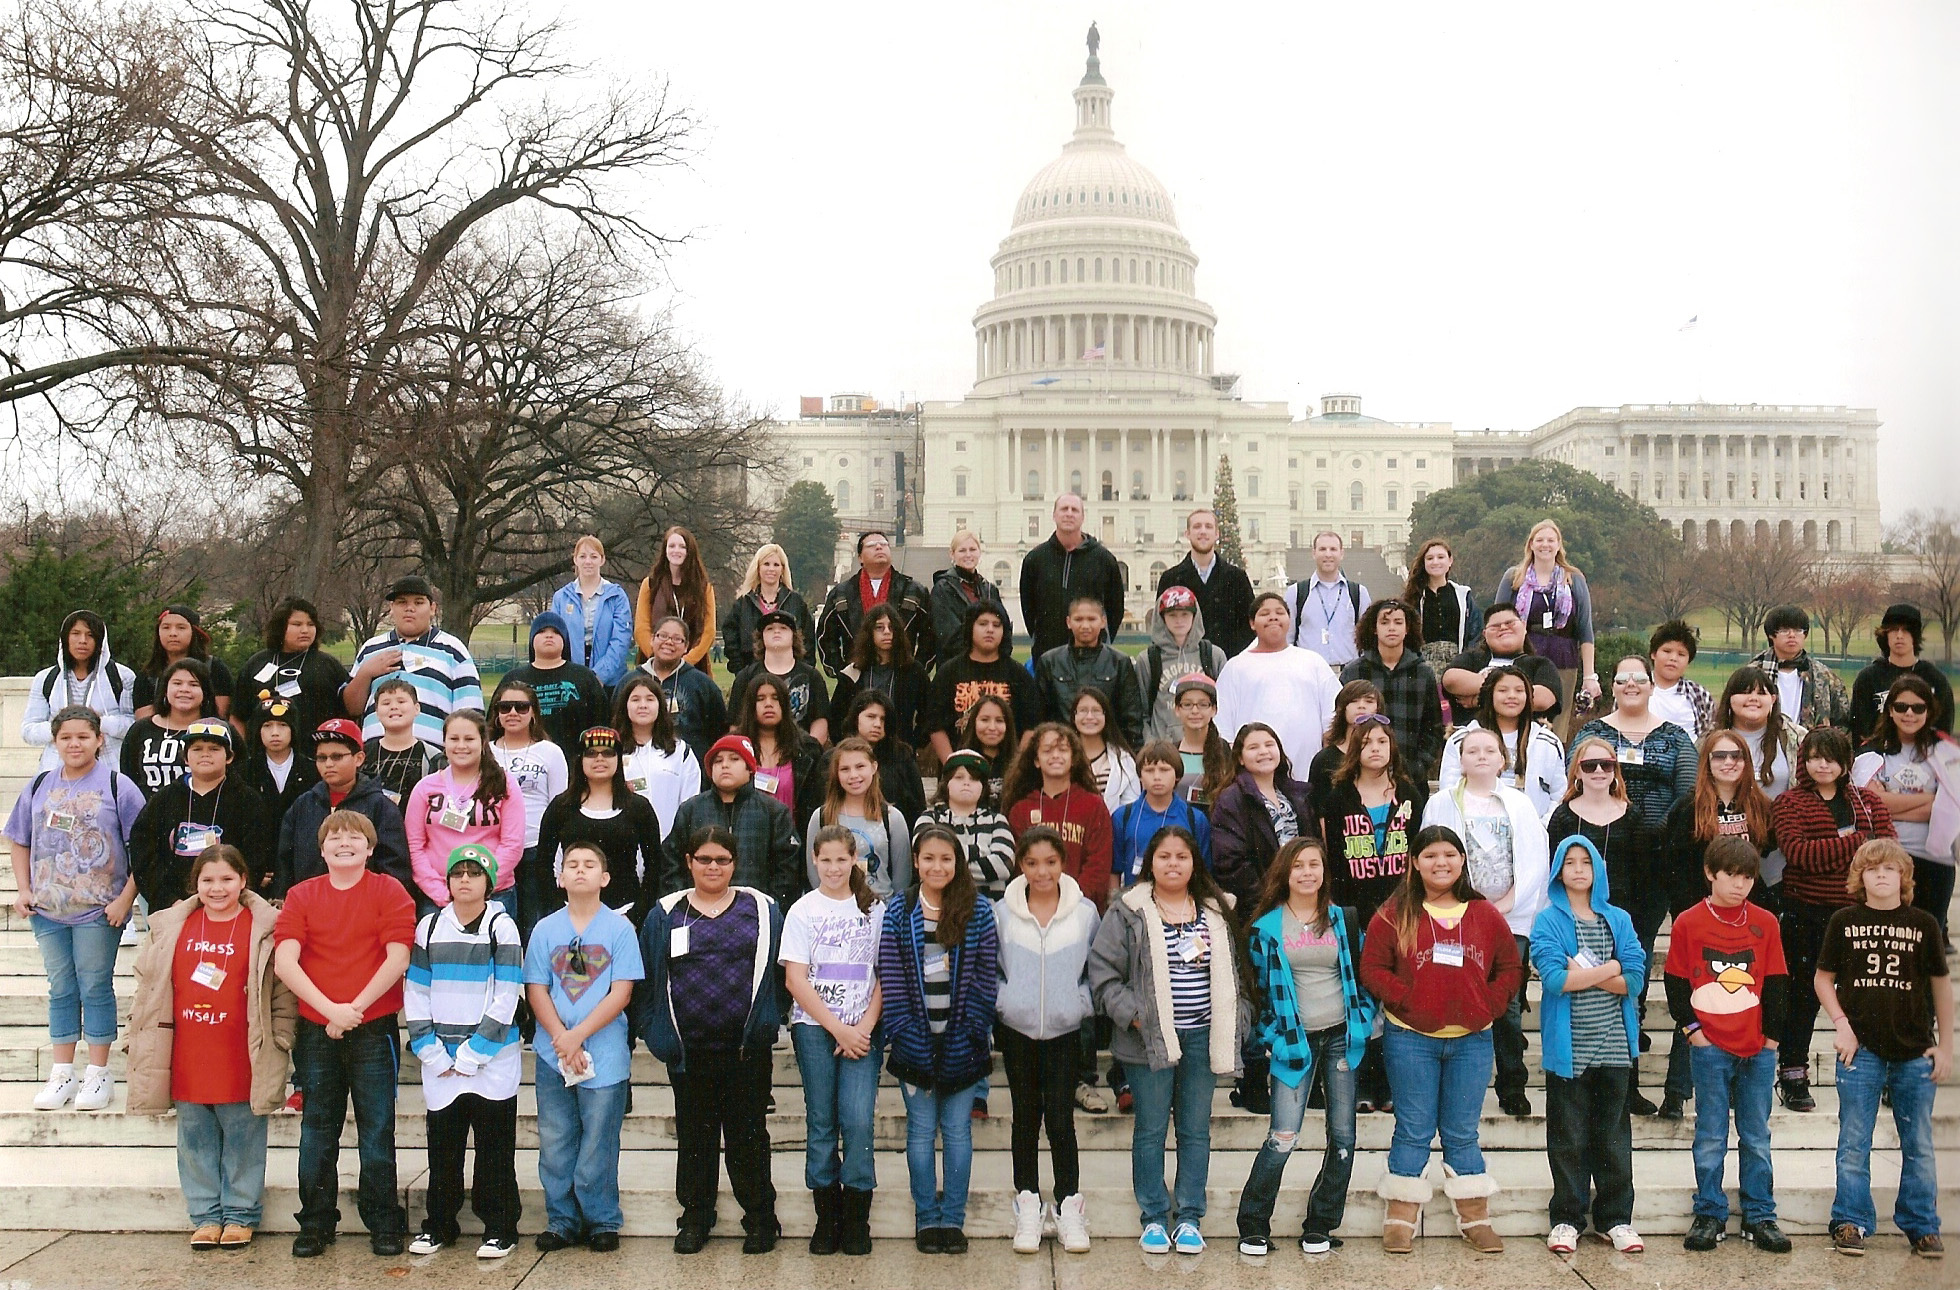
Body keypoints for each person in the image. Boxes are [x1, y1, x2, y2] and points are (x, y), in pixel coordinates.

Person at [1360, 825, 1523, 1255]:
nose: (1441, 863)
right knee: (1413, 1129)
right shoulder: (1395, 913)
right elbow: (1373, 968)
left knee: (1462, 1132)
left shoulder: (1484, 914)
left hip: (1472, 1040)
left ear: (1462, 860)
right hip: (1411, 1038)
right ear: (1414, 862)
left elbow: (1510, 968)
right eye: (1430, 855)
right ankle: (1400, 1218)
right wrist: (1406, 997)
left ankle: (1474, 1217)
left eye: (1450, 854)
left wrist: (1489, 1002)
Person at [1089, 825, 1247, 1256]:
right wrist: (1137, 1017)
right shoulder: (1128, 910)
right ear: (1150, 863)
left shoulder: (1217, 911)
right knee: (1151, 1129)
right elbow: (1103, 977)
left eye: (1182, 856)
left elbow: (1239, 974)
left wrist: (1237, 1019)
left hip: (1201, 1036)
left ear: (1195, 862)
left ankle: (1191, 1217)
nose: (1173, 863)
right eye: (1164, 856)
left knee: (1195, 1130)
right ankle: (1155, 1217)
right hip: (1147, 1041)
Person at [125, 843, 293, 1250]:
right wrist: (136, 1032)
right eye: (208, 880)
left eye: (227, 879)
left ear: (244, 881)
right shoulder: (170, 926)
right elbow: (147, 984)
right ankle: (204, 1215)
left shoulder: (265, 927)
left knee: (243, 1136)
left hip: (242, 1050)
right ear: (195, 883)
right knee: (195, 1137)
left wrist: (282, 1037)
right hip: (188, 1050)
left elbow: (283, 992)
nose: (217, 888)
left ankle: (239, 1214)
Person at [272, 809, 416, 1258]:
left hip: (373, 1028)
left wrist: (352, 1010)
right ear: (321, 849)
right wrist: (330, 1009)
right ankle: (315, 1222)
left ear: (371, 848)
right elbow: (285, 962)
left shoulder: (389, 891)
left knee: (377, 1130)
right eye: (335, 838)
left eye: (355, 837)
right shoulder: (301, 895)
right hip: (317, 1029)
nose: (345, 843)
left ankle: (384, 1221)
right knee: (317, 1128)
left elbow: (398, 959)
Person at [638, 825, 786, 1255]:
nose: (713, 867)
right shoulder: (665, 913)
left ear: (734, 863)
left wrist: (766, 1022)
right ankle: (696, 1217)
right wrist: (657, 1033)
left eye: (722, 859)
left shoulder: (760, 909)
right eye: (704, 859)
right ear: (688, 863)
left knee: (748, 1137)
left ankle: (760, 1218)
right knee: (695, 1138)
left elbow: (779, 969)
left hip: (745, 1050)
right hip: (690, 1051)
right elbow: (648, 977)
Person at [1234, 837, 1372, 1257]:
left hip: (1339, 1039)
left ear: (1324, 872)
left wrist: (1362, 1019)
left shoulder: (1341, 920)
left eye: (1314, 864)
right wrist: (1271, 1038)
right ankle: (1253, 1224)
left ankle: (1321, 1224)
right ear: (1285, 873)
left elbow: (1362, 976)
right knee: (1283, 1135)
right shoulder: (1266, 928)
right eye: (1298, 866)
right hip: (1294, 1042)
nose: (1307, 872)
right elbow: (1255, 992)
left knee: (1344, 1137)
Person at [1818, 839, 1952, 1259]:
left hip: (1914, 1050)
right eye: (1873, 869)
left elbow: (1941, 986)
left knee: (1919, 1143)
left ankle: (1922, 1225)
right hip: (1860, 1050)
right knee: (1854, 1140)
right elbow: (1824, 979)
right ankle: (1851, 1221)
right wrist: (1842, 1025)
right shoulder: (1843, 920)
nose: (1881, 875)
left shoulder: (1924, 924)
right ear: (1860, 877)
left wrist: (1946, 1045)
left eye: (1890, 869)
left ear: (1903, 877)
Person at [9, 705, 147, 1112]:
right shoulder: (38, 787)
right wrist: (23, 889)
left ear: (99, 740)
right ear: (55, 742)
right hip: (49, 911)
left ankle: (98, 1073)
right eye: (66, 737)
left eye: (83, 736)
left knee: (94, 986)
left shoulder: (118, 786)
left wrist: (125, 899)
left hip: (99, 911)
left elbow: (142, 846)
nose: (74, 743)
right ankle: (62, 1072)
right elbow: (19, 838)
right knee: (61, 989)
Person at [1665, 836, 1793, 1254]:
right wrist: (1692, 1031)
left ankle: (1760, 1215)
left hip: (1757, 1045)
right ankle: (1709, 1211)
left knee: (1756, 1134)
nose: (1740, 885)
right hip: (1709, 1044)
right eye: (1732, 876)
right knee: (1710, 1133)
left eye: (1748, 877)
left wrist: (1772, 1038)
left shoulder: (1765, 921)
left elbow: (1776, 980)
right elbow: (1675, 980)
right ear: (1710, 874)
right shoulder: (1687, 921)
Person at [881, 823, 1000, 1254]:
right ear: (916, 861)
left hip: (963, 1045)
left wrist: (969, 1034)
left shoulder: (979, 911)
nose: (937, 866)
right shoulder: (900, 910)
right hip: (915, 1042)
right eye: (928, 858)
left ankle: (953, 1219)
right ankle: (926, 1219)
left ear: (958, 863)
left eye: (946, 859)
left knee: (957, 1133)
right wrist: (906, 1035)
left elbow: (987, 981)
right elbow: (891, 980)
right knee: (920, 1132)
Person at [1422, 728, 1552, 1118]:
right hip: (1455, 917)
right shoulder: (1442, 803)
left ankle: (1512, 1081)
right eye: (1471, 750)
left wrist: (1506, 905)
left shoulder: (1518, 803)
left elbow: (1534, 860)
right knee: (1457, 995)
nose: (1481, 756)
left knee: (1507, 1003)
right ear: (1459, 760)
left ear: (1502, 759)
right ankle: (1458, 1084)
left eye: (1490, 750)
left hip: (1511, 918)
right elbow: (1430, 856)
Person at [403, 844, 524, 1259]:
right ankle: (439, 1224)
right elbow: (416, 991)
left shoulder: (502, 927)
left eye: (474, 873)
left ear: (489, 883)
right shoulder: (429, 927)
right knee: (444, 1149)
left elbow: (508, 994)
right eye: (458, 874)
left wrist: (475, 1053)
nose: (465, 881)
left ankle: (500, 1226)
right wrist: (430, 1050)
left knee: (494, 1148)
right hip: (441, 1061)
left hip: (491, 1060)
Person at [525, 841, 643, 1254]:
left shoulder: (619, 929)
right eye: (571, 864)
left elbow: (621, 991)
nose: (579, 871)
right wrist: (561, 1036)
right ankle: (561, 1220)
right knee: (556, 1140)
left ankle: (602, 1220)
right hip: (552, 1052)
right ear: (560, 878)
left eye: (589, 864)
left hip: (604, 1052)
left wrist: (578, 1035)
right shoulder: (545, 930)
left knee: (598, 1140)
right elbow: (536, 987)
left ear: (605, 878)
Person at [1531, 835, 1647, 1255]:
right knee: (1568, 1135)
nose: (1578, 869)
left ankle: (1616, 1219)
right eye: (1570, 862)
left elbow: (1633, 979)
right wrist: (1611, 968)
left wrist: (1607, 968)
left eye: (1587, 862)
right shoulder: (1548, 921)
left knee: (1613, 1135)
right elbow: (1556, 980)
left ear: (1598, 869)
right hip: (1570, 1046)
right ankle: (1566, 1218)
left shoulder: (1617, 919)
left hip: (1615, 1043)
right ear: (1559, 870)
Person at [1772, 726, 1895, 1112]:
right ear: (1804, 760)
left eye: (1831, 757)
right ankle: (1793, 1073)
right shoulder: (1789, 803)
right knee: (1803, 996)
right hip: (1806, 913)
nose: (1822, 764)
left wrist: (1847, 848)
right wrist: (1859, 842)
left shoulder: (1868, 802)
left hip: (1860, 914)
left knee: (1869, 994)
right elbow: (1800, 855)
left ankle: (1882, 1072)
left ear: (1845, 763)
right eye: (1814, 756)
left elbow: (1888, 852)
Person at [995, 826, 1100, 1255]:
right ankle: (1028, 1203)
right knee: (1024, 1118)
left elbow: (1097, 968)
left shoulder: (1085, 913)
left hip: (1063, 1030)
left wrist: (1078, 1005)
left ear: (1063, 864)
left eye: (1051, 863)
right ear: (1021, 865)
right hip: (1018, 1029)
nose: (1042, 872)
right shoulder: (1002, 913)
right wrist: (1005, 1003)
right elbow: (994, 969)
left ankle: (1069, 1207)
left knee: (1060, 1119)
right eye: (1033, 863)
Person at [782, 825, 886, 1257]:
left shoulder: (874, 909)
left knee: (858, 1120)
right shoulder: (803, 910)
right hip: (814, 1028)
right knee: (822, 1121)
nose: (833, 868)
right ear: (814, 861)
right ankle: (828, 1217)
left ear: (855, 860)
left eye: (841, 859)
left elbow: (883, 976)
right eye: (825, 860)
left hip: (862, 1030)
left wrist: (860, 1028)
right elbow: (795, 979)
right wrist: (835, 1028)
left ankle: (857, 1216)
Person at [1553, 736, 1665, 1116]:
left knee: (1628, 1004)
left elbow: (1647, 879)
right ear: (1577, 772)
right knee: (1580, 1002)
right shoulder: (1564, 816)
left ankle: (1627, 1085)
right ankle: (1575, 1080)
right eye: (1590, 765)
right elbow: (1557, 874)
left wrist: (1640, 932)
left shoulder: (1632, 815)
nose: (1599, 771)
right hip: (1577, 922)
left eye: (1606, 765)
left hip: (1623, 923)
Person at [1853, 676, 1959, 942]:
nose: (1909, 713)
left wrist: (1891, 803)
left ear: (1929, 711)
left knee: (1928, 939)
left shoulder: (1946, 753)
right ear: (1890, 710)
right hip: (1887, 859)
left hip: (1935, 860)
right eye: (1901, 707)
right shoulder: (1873, 752)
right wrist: (1929, 800)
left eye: (1918, 707)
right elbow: (1869, 805)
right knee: (1890, 937)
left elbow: (1950, 807)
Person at [129, 719, 276, 907]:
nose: (205, 754)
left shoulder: (248, 801)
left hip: (231, 906)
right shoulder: (164, 799)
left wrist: (228, 898)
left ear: (229, 757)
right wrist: (170, 900)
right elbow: (143, 853)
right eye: (197, 749)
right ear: (186, 758)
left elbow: (255, 858)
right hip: (172, 909)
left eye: (214, 749)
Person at [533, 728, 665, 926]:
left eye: (608, 753)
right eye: (591, 753)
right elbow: (543, 863)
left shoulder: (639, 808)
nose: (600, 759)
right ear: (580, 759)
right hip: (570, 915)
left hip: (626, 915)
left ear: (619, 759)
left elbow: (655, 865)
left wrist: (635, 915)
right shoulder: (561, 807)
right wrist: (559, 910)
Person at [274, 719, 414, 899]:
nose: (328, 764)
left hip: (364, 906)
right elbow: (285, 862)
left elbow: (394, 868)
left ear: (359, 758)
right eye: (322, 758)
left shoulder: (381, 806)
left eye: (337, 756)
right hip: (310, 905)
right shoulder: (303, 805)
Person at [403, 710, 523, 917]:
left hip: (495, 895)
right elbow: (414, 846)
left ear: (483, 742)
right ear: (444, 743)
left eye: (469, 739)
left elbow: (512, 844)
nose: (461, 746)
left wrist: (482, 886)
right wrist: (442, 892)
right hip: (438, 897)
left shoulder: (505, 784)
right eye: (454, 739)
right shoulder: (425, 788)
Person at [343, 575, 483, 747]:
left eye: (418, 602)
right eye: (402, 602)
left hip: (432, 758)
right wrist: (365, 672)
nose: (410, 608)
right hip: (375, 757)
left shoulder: (452, 649)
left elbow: (470, 714)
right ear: (391, 608)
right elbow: (351, 709)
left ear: (432, 608)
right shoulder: (371, 648)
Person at [664, 735, 802, 905]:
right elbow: (672, 864)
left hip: (756, 913)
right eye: (718, 761)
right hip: (698, 912)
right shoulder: (691, 810)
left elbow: (787, 869)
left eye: (734, 759)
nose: (725, 765)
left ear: (750, 768)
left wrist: (769, 909)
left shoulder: (773, 811)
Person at [1491, 519, 1598, 737]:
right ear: (1531, 544)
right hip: (1524, 656)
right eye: (1540, 540)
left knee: (1557, 724)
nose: (1545, 545)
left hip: (1563, 656)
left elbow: (1585, 630)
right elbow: (1497, 621)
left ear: (1559, 545)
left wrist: (1590, 676)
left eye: (1551, 540)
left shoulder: (1574, 579)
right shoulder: (1514, 577)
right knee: (1520, 716)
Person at [1573, 654, 1699, 835]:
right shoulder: (1590, 734)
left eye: (1640, 679)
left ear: (1652, 687)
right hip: (1602, 840)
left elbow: (1689, 794)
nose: (1631, 684)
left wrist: (1655, 833)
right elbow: (1573, 786)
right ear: (1613, 687)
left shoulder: (1676, 737)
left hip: (1662, 844)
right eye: (1622, 679)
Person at [1321, 715, 1429, 926]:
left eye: (1382, 741)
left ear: (1392, 747)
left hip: (1402, 903)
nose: (1375, 748)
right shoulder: (1339, 798)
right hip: (1353, 905)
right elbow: (1333, 856)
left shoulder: (1409, 795)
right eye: (1366, 743)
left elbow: (1417, 849)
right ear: (1354, 750)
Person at [1215, 591, 1341, 770]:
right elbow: (1223, 728)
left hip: (1307, 775)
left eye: (1280, 613)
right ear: (1252, 623)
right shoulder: (1235, 667)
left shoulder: (1313, 662)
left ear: (1289, 620)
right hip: (1253, 777)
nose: (1273, 618)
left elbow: (1333, 719)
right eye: (1265, 614)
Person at [1714, 665, 1806, 904]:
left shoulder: (1796, 738)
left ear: (1773, 699)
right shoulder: (1711, 741)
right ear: (1730, 698)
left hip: (1780, 856)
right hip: (1726, 854)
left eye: (1761, 693)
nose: (1753, 698)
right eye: (1745, 692)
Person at [1005, 724, 1116, 911]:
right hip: (1032, 909)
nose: (1055, 755)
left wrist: (1070, 902)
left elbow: (1098, 866)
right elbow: (1018, 867)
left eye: (1063, 750)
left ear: (1073, 759)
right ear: (1036, 760)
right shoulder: (1020, 810)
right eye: (1047, 750)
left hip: (1081, 909)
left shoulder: (1093, 806)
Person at [1209, 723, 1317, 912]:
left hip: (1306, 899)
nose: (1263, 752)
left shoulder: (1298, 795)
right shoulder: (1230, 801)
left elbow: (1316, 846)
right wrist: (1270, 901)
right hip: (1263, 907)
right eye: (1253, 747)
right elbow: (1231, 864)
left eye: (1269, 744)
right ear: (1240, 759)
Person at [488, 678, 567, 933]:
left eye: (521, 707)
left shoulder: (550, 752)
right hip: (493, 849)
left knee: (534, 926)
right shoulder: (484, 752)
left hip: (536, 849)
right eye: (505, 707)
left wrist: (558, 860)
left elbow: (560, 808)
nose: (512, 713)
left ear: (533, 712)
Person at [1440, 666, 1567, 819]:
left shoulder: (1547, 742)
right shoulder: (1461, 740)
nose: (1511, 696)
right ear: (1489, 695)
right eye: (1503, 690)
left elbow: (1559, 795)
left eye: (1519, 691)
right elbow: (1448, 791)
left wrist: (1538, 830)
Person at [1342, 599, 1447, 782]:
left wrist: (1420, 765)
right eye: (1384, 622)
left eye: (1398, 622)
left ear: (1407, 628)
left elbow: (1434, 727)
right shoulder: (1354, 671)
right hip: (1361, 774)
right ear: (1374, 628)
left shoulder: (1423, 672)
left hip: (1410, 776)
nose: (1392, 628)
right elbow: (1341, 722)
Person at [925, 602, 1040, 763]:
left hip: (1007, 770)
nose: (990, 630)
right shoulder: (948, 673)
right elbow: (935, 726)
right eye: (983, 624)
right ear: (970, 627)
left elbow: (1031, 726)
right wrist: (952, 766)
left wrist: (1018, 768)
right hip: (960, 769)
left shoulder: (1018, 674)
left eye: (997, 625)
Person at [23, 610, 135, 772]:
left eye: (90, 635)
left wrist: (98, 722)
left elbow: (133, 726)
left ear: (100, 641)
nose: (82, 641)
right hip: (56, 769)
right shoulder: (46, 678)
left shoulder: (121, 676)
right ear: (65, 638)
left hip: (109, 768)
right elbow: (28, 730)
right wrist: (62, 726)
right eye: (75, 633)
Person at [1019, 493, 1125, 660]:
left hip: (1093, 656)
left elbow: (1115, 608)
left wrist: (1101, 639)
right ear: (1054, 515)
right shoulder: (1035, 559)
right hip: (1047, 653)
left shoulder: (1104, 559)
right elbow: (1028, 607)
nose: (1069, 513)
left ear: (1083, 517)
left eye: (1074, 510)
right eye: (1064, 509)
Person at [816, 529, 936, 677]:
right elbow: (825, 637)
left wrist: (916, 671)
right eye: (872, 545)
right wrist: (842, 672)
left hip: (901, 675)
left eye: (884, 544)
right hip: (857, 676)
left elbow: (930, 636)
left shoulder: (913, 590)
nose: (879, 547)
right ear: (860, 557)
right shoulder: (842, 593)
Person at [805, 736, 912, 900]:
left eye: (860, 766)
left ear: (874, 767)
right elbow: (814, 876)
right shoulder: (821, 817)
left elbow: (901, 880)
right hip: (834, 912)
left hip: (881, 911)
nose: (853, 775)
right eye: (845, 769)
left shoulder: (892, 818)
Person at [1033, 597, 1147, 747]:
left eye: (1091, 619)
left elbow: (1131, 718)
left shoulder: (1119, 662)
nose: (1085, 625)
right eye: (1078, 619)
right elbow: (1040, 716)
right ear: (1069, 622)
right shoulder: (1049, 662)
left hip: (1108, 751)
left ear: (1103, 621)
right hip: (1062, 750)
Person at [234, 596, 349, 744]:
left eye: (310, 624)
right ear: (280, 627)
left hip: (317, 755)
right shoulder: (257, 663)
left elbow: (350, 712)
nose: (305, 630)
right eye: (297, 624)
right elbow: (238, 716)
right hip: (264, 757)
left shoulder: (328, 664)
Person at [1440, 601, 1564, 727]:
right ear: (1484, 634)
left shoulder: (1540, 664)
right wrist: (1513, 693)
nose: (1503, 628)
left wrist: (1479, 700)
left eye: (1510, 623)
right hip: (1472, 739)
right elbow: (1451, 680)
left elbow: (1543, 699)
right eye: (1495, 626)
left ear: (1524, 626)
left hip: (1525, 739)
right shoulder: (1472, 658)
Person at [915, 749, 1016, 900]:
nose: (966, 783)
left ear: (983, 788)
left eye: (974, 779)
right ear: (946, 783)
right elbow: (927, 866)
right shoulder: (929, 820)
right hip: (939, 908)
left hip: (989, 910)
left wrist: (949, 861)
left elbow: (1002, 867)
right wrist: (979, 851)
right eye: (959, 777)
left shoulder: (998, 821)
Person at [500, 613, 609, 751]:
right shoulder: (513, 679)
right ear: (532, 640)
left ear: (565, 640)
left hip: (575, 763)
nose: (549, 636)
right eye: (541, 631)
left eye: (556, 632)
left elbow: (602, 723)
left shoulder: (584, 677)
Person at [1157, 507, 1256, 659]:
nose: (1203, 531)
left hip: (1228, 664)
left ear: (1217, 534)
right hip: (1185, 665)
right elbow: (1161, 627)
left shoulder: (1237, 578)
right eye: (1197, 526)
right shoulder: (1170, 579)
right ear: (1187, 534)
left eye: (1208, 526)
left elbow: (1249, 626)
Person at [828, 603, 931, 749]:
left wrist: (912, 744)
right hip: (859, 752)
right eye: (879, 627)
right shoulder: (854, 672)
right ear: (869, 632)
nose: (887, 632)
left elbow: (928, 715)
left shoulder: (914, 672)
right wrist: (848, 747)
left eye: (892, 627)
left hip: (899, 754)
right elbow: (836, 718)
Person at [1112, 742, 1213, 886]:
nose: (1157, 777)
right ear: (1140, 776)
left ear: (1177, 775)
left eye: (1164, 770)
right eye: (1149, 770)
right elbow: (1114, 871)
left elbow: (1204, 872)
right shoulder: (1123, 816)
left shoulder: (1195, 819)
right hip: (1133, 902)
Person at [1134, 586, 1227, 743]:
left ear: (1194, 616)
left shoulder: (1212, 655)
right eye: (1172, 615)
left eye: (1185, 614)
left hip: (1206, 746)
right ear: (1162, 618)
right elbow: (1141, 712)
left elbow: (1225, 706)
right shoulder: (1149, 660)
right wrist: (1150, 745)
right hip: (1164, 748)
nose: (1179, 620)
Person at [614, 674, 702, 839]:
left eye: (650, 699)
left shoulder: (680, 752)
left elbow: (691, 804)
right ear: (624, 706)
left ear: (660, 706)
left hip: (670, 847)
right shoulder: (612, 752)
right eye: (635, 700)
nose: (643, 705)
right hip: (623, 844)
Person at [732, 673, 824, 830]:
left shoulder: (808, 748)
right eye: (760, 699)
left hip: (792, 840)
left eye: (775, 698)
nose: (769, 704)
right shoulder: (734, 747)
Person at [727, 609, 831, 745]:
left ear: (794, 636)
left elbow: (820, 723)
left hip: (801, 754)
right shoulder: (746, 677)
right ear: (761, 637)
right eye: (769, 629)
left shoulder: (812, 676)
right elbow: (736, 726)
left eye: (783, 628)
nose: (776, 631)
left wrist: (808, 752)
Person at [1852, 603, 1954, 741]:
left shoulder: (1935, 679)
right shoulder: (1868, 678)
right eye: (1894, 630)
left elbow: (1943, 730)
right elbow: (1860, 730)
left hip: (1924, 756)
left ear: (1915, 636)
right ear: (1885, 634)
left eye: (1906, 630)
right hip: (1880, 756)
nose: (1899, 636)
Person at [639, 615, 730, 767]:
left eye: (677, 639)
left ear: (686, 646)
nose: (668, 642)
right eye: (662, 636)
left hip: (691, 771)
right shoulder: (631, 682)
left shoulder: (703, 684)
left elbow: (718, 732)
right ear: (652, 639)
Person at [550, 534, 635, 688]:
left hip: (611, 683)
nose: (588, 561)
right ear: (575, 560)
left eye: (593, 556)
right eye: (582, 556)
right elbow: (555, 639)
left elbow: (621, 640)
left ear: (602, 560)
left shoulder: (617, 596)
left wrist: (598, 676)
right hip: (570, 682)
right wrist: (571, 675)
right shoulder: (561, 597)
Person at [723, 542, 818, 679]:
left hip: (789, 676)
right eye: (766, 564)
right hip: (751, 676)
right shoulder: (743, 603)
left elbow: (807, 640)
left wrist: (802, 673)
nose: (771, 569)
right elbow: (731, 638)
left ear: (782, 569)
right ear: (758, 568)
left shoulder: (796, 602)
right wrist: (741, 672)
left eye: (776, 565)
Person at [634, 524, 718, 675]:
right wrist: (658, 657)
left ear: (689, 551)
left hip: (693, 668)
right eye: (671, 546)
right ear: (665, 550)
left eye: (682, 546)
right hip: (653, 666)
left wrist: (686, 662)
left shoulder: (704, 588)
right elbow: (641, 627)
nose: (676, 551)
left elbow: (709, 632)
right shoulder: (650, 584)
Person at [1752, 604, 1852, 730]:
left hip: (1813, 747)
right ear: (1771, 634)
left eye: (1798, 630)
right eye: (1784, 630)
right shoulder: (1753, 672)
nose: (1792, 635)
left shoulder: (1825, 676)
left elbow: (1843, 722)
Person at [121, 659, 213, 796]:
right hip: (150, 814)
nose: (184, 689)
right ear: (165, 690)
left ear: (205, 692)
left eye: (194, 684)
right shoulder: (140, 730)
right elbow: (128, 781)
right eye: (177, 683)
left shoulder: (219, 731)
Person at [838, 690, 927, 826]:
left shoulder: (902, 756)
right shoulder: (837, 756)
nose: (877, 724)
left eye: (883, 719)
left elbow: (918, 806)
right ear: (856, 718)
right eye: (871, 717)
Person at [1283, 531, 1371, 668]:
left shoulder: (1358, 593)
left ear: (1341, 553)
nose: (1328, 554)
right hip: (1308, 672)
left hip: (1348, 674)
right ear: (1314, 553)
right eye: (1322, 549)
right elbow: (1287, 638)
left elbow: (1367, 638)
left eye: (1333, 549)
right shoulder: (1296, 593)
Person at [133, 605, 233, 720]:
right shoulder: (148, 675)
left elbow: (219, 717)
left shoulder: (215, 669)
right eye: (166, 627)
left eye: (181, 628)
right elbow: (145, 722)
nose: (173, 633)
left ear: (194, 632)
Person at [929, 529, 1012, 666]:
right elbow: (949, 636)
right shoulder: (943, 589)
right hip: (957, 668)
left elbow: (1004, 629)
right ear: (952, 554)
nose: (968, 555)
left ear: (979, 552)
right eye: (962, 550)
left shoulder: (990, 590)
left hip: (990, 667)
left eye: (972, 549)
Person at [1403, 537, 1483, 677]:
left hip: (1457, 664)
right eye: (1430, 558)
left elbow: (1475, 631)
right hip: (1421, 666)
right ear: (1424, 563)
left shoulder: (1463, 595)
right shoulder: (1414, 597)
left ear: (1450, 561)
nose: (1435, 562)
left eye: (1441, 557)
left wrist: (1467, 660)